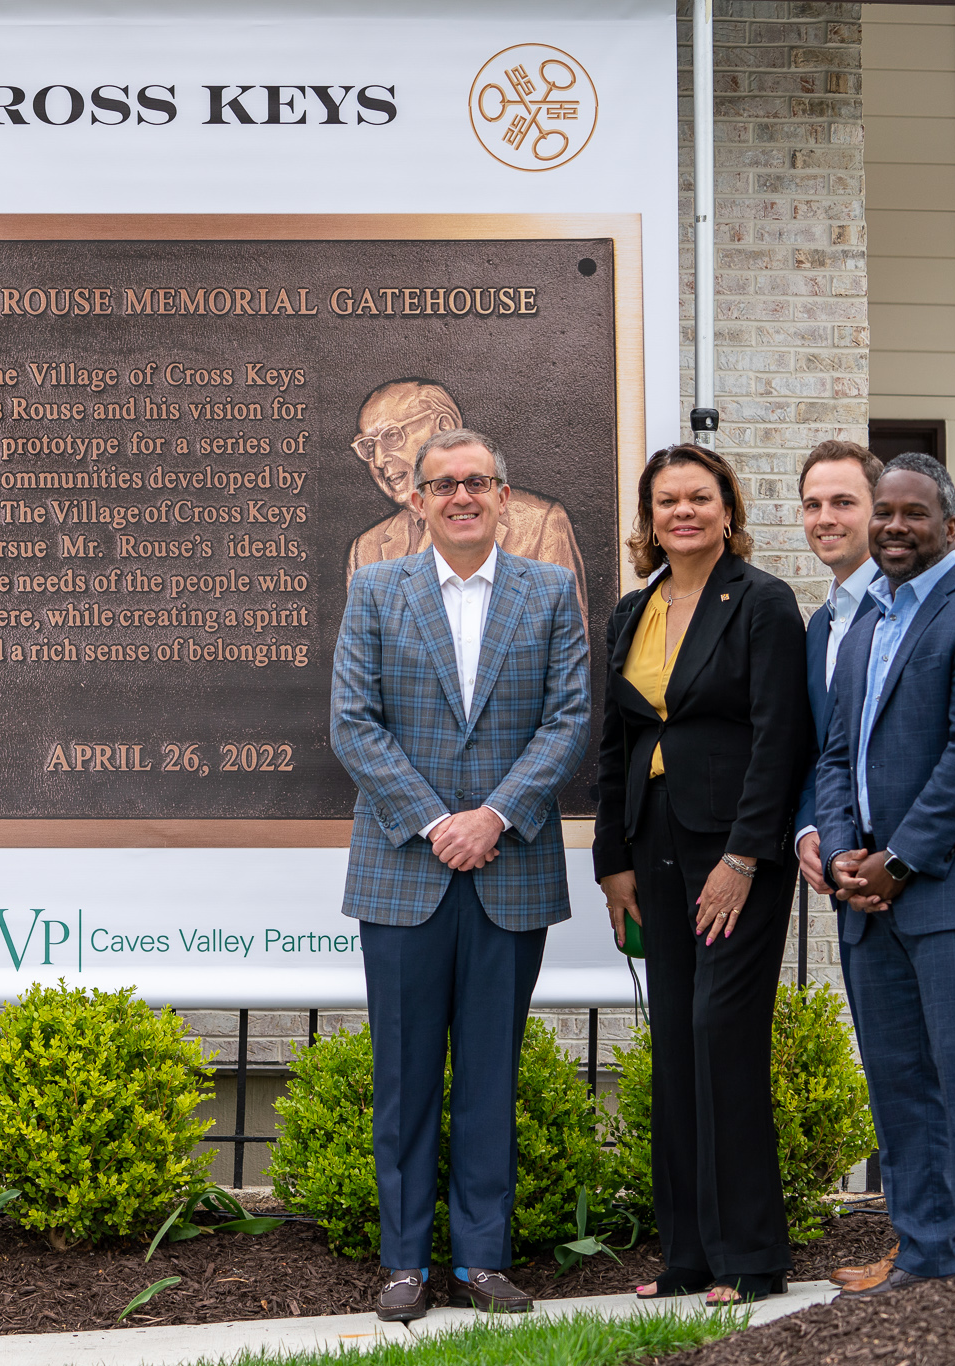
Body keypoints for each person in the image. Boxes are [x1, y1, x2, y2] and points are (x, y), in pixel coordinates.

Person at [331, 429, 589, 1322]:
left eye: (477, 482)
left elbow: (567, 720)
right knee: (404, 1076)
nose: (461, 496)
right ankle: (403, 1261)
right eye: (443, 485)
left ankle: (483, 1260)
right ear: (418, 502)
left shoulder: (550, 592)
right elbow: (354, 725)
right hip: (406, 869)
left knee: (490, 1075)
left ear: (505, 496)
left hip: (508, 869)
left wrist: (495, 818)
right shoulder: (375, 590)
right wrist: (441, 822)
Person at [594, 444, 810, 1306]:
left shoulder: (762, 602)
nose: (682, 512)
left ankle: (751, 1256)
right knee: (678, 1045)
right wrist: (613, 861)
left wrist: (744, 858)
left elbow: (779, 738)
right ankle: (686, 1255)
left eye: (699, 497)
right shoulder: (631, 610)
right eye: (666, 501)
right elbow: (615, 743)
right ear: (648, 519)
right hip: (656, 849)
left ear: (727, 509)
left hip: (734, 854)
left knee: (724, 1039)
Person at [816, 453, 955, 1296]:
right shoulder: (866, 623)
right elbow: (833, 753)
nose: (893, 527)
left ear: (950, 528)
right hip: (870, 903)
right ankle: (924, 1254)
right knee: (899, 1088)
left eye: (912, 514)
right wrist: (843, 852)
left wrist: (899, 860)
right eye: (883, 513)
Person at [786, 440, 898, 1288]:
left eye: (844, 503)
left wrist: (891, 857)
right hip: (848, 885)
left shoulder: (911, 611)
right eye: (815, 505)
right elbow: (816, 751)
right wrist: (810, 836)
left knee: (947, 1071)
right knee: (894, 1071)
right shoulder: (820, 623)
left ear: (879, 511)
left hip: (917, 884)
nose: (828, 519)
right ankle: (916, 1245)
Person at [343, 377, 587, 623]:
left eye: (392, 436)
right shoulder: (365, 551)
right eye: (368, 445)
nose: (377, 459)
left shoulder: (540, 523)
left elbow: (565, 649)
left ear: (445, 426)